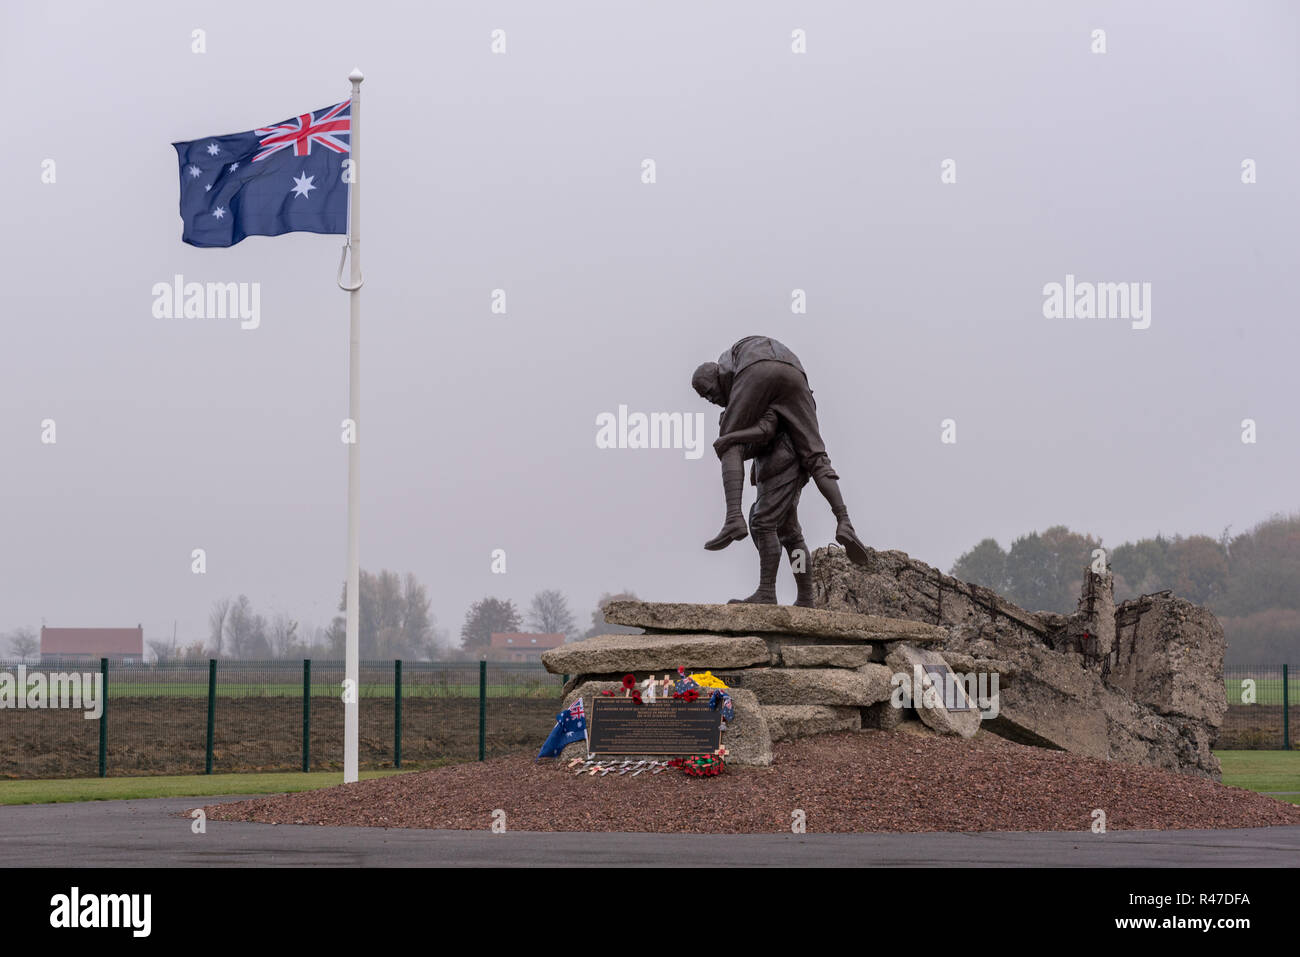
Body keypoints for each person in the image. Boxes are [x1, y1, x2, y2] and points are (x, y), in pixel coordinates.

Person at [692, 335, 870, 565]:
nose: (710, 398)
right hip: (796, 374)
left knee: (727, 444)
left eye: (708, 390)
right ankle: (844, 520)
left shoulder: (733, 370)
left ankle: (733, 518)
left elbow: (756, 433)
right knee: (816, 456)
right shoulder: (769, 400)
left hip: (755, 366)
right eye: (704, 396)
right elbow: (767, 427)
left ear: (716, 375)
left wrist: (729, 438)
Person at [714, 409, 814, 605]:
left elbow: (766, 429)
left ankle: (767, 591)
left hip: (783, 463)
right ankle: (805, 596)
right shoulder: (768, 392)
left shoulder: (765, 392)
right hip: (784, 462)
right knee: (790, 533)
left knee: (764, 523)